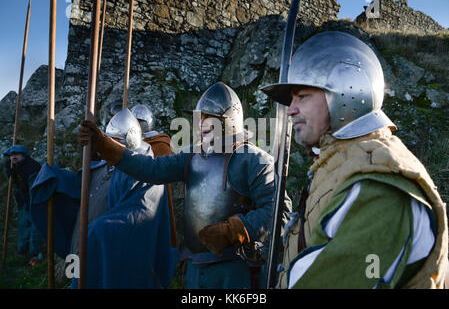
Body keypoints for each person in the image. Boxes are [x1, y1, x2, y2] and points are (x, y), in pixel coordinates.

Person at [260, 30, 448, 289]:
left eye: (302, 96)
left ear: (346, 93)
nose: (290, 110)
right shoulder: (340, 160)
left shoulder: (377, 185)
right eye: (291, 99)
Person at [78, 82, 291, 289]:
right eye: (200, 117)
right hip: (194, 268)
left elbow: (280, 212)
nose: (201, 123)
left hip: (235, 271)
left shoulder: (254, 160)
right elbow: (151, 169)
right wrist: (105, 145)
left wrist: (234, 231)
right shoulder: (192, 156)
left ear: (229, 120)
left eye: (209, 118)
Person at [70, 108, 178, 288]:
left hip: (137, 247)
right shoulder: (112, 165)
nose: (110, 145)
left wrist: (97, 231)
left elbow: (141, 211)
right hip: (114, 241)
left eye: (115, 142)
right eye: (108, 141)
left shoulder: (146, 164)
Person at [131, 104, 177, 247]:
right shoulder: (133, 143)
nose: (136, 125)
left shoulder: (161, 145)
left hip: (156, 194)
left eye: (139, 122)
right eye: (134, 121)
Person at [3, 145, 43, 266]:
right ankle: (22, 252)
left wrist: (32, 205)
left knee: (35, 228)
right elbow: (15, 183)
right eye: (11, 155)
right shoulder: (14, 167)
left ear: (23, 155)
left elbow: (34, 189)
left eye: (16, 154)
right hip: (23, 201)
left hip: (35, 201)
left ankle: (34, 254)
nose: (13, 157)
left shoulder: (32, 167)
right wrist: (9, 172)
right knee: (23, 225)